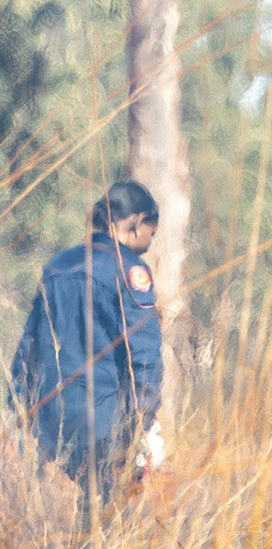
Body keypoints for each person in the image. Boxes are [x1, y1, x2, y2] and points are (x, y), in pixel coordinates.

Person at [11, 181, 166, 514]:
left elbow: (30, 343)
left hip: (53, 417)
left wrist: (21, 404)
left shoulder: (59, 264)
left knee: (89, 504)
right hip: (105, 420)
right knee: (114, 512)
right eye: (150, 234)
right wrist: (145, 419)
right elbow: (145, 355)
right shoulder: (130, 271)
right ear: (138, 221)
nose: (149, 244)